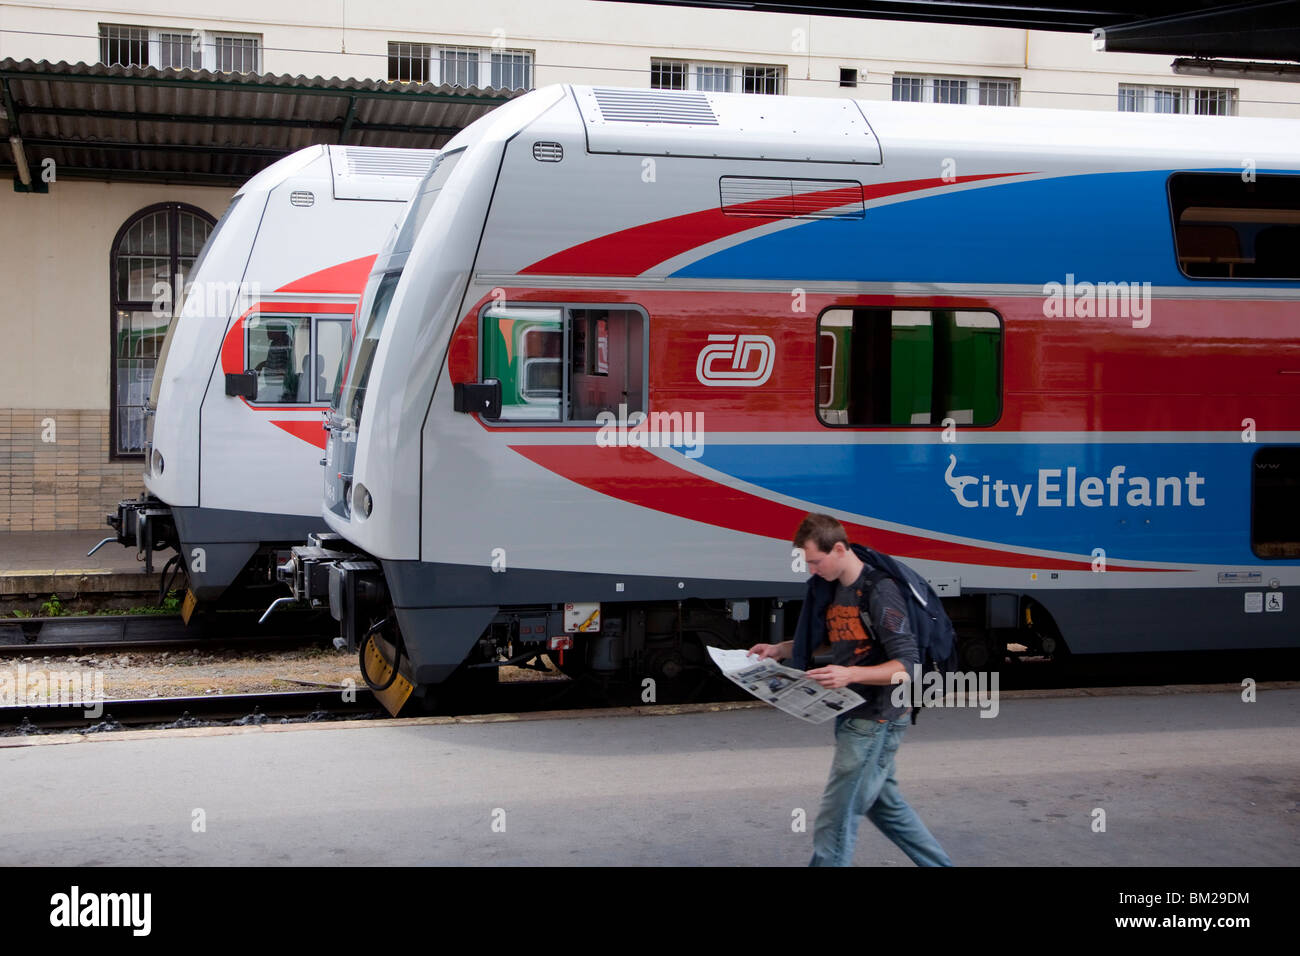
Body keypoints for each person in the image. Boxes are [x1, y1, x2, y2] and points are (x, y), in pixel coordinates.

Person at [749, 513, 952, 867]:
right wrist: (780, 650)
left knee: (836, 819)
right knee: (887, 809)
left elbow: (907, 666)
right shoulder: (835, 589)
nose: (811, 569)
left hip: (876, 718)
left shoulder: (880, 591)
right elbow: (833, 639)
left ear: (839, 548)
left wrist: (849, 674)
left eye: (815, 560)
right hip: (853, 713)